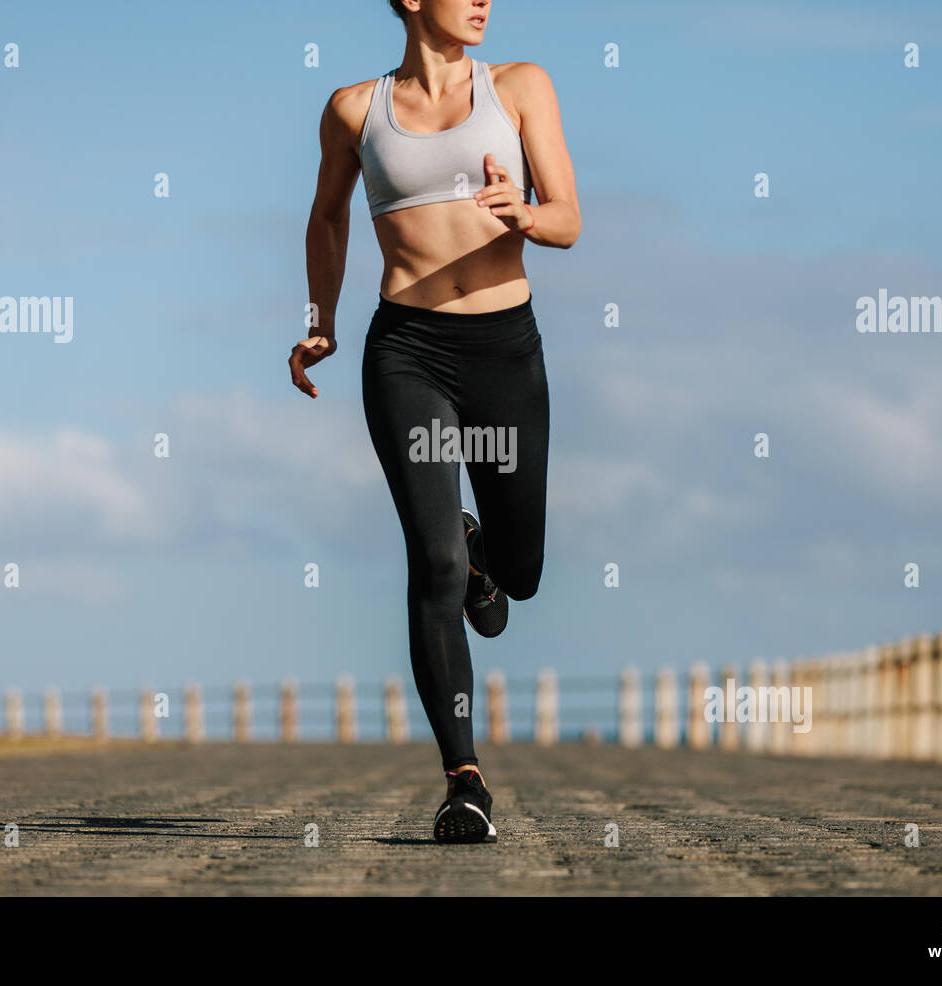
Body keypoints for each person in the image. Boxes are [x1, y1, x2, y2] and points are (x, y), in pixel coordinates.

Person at [290, 0, 580, 843]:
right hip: (406, 352)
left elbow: (568, 216)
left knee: (516, 574)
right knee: (434, 566)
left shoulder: (520, 87)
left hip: (504, 351)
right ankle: (464, 782)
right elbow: (329, 216)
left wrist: (526, 214)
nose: (485, 1)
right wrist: (322, 320)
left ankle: (488, 558)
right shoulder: (355, 110)